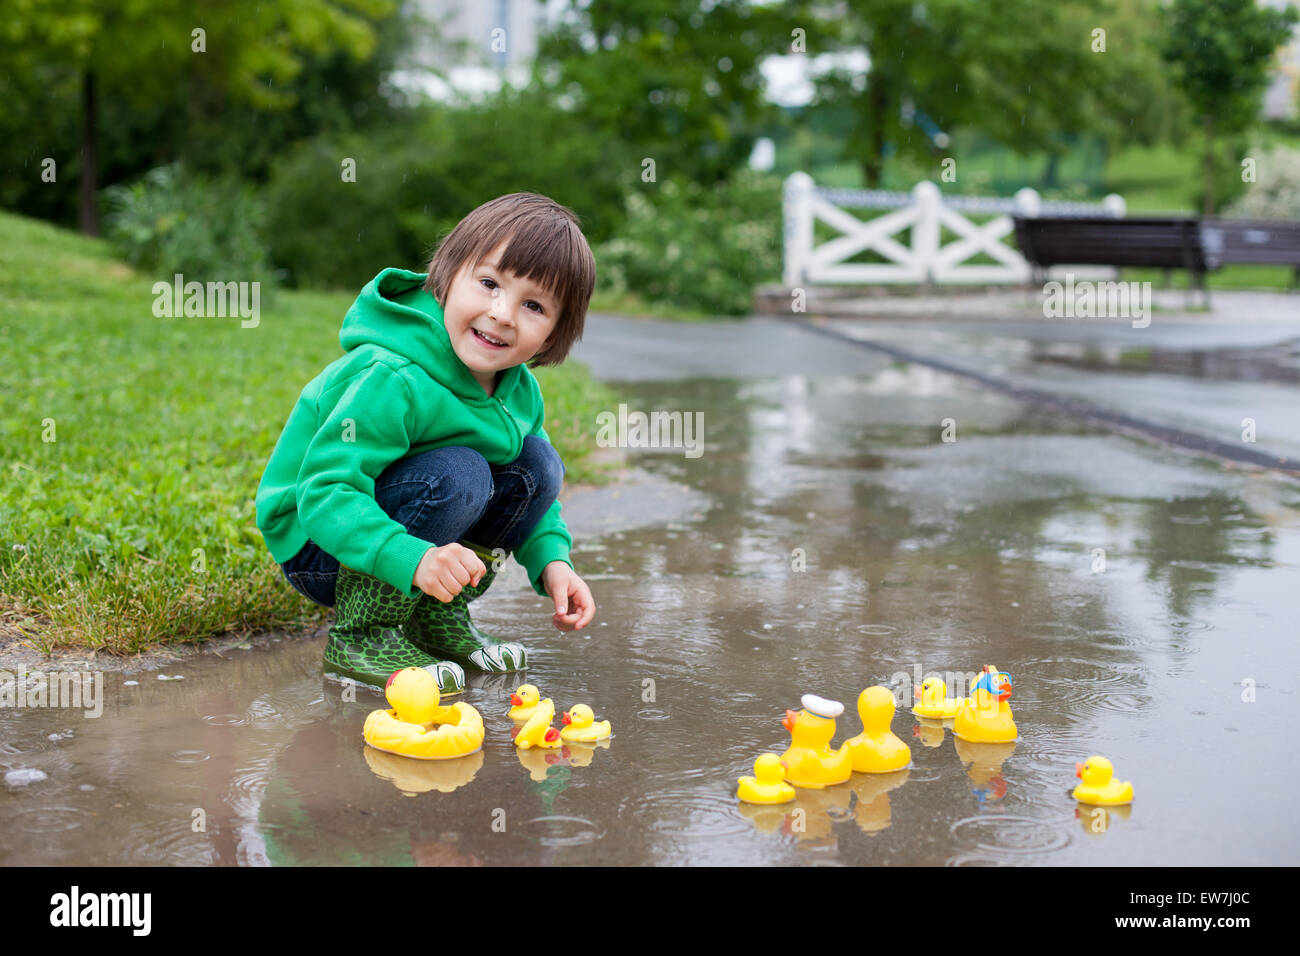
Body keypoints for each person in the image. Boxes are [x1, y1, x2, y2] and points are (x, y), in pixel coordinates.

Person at [254, 193, 597, 694]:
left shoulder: (518, 389)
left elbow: (534, 495)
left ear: (551, 336)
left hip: (407, 534)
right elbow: (324, 492)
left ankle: (436, 618)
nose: (502, 314)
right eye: (488, 283)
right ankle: (363, 633)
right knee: (460, 474)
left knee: (537, 463)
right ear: (448, 276)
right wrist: (411, 558)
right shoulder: (392, 376)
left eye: (533, 305)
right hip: (320, 546)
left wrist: (553, 562)